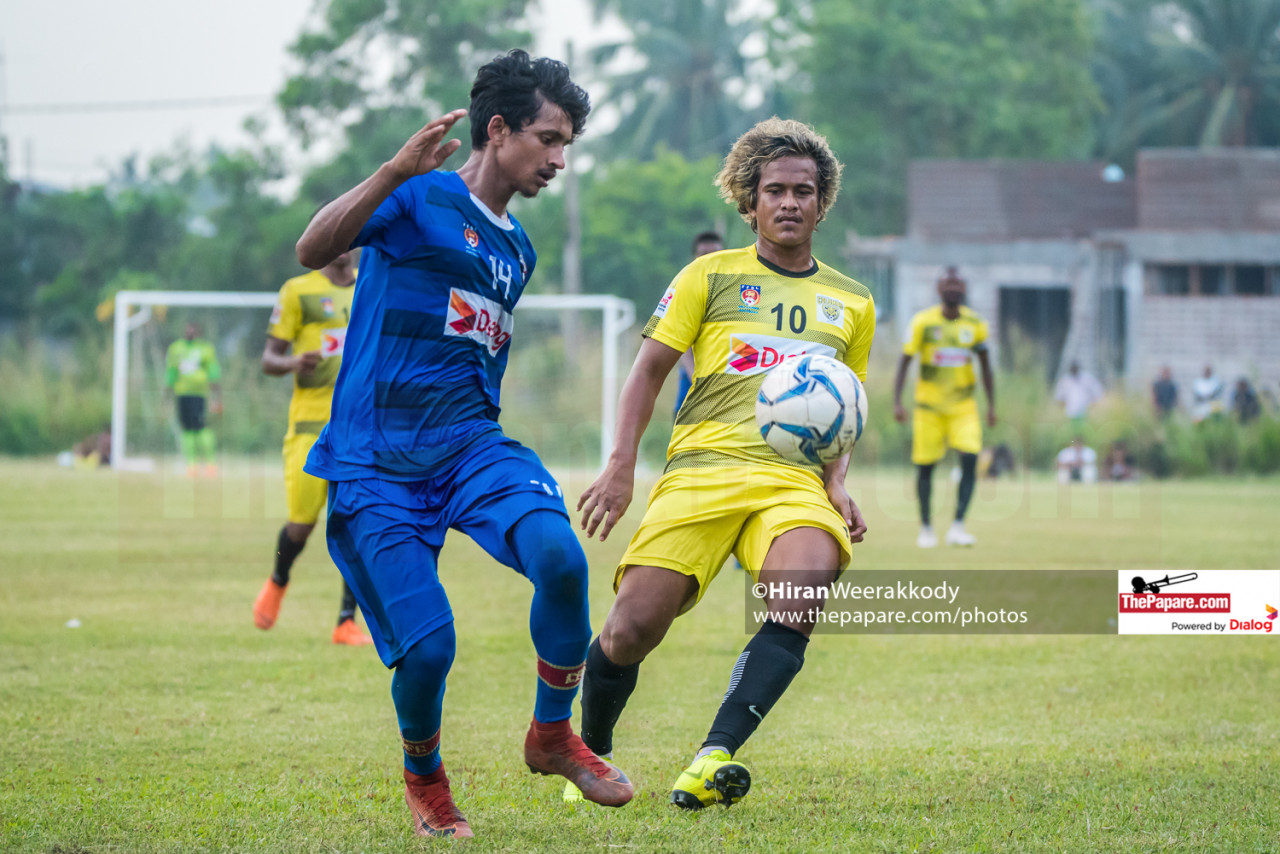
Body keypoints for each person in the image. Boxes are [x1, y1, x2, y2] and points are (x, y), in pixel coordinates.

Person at [293, 50, 631, 839]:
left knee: (561, 557)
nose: (558, 159)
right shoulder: (418, 199)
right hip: (375, 464)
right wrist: (388, 173)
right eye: (548, 139)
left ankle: (551, 735)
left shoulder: (519, 251)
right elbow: (312, 250)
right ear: (498, 128)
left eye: (567, 145)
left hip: (471, 446)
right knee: (430, 649)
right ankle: (425, 779)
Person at [575, 118, 874, 810]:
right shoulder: (708, 277)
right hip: (701, 471)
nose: (791, 202)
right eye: (776, 190)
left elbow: (844, 408)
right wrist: (621, 465)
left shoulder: (854, 301)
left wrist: (837, 484)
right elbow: (647, 373)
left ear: (822, 201)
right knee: (629, 630)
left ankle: (713, 757)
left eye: (805, 190)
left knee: (800, 594)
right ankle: (591, 753)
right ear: (751, 201)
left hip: (791, 482)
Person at [252, 249, 374, 647]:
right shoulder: (298, 291)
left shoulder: (374, 284)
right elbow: (269, 359)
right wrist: (291, 363)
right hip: (308, 427)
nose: (344, 244)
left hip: (360, 430)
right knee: (301, 525)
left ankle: (345, 622)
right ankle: (277, 580)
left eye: (351, 237)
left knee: (358, 525)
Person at [892, 268, 996, 548]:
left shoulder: (975, 324)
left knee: (970, 459)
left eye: (958, 284)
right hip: (929, 408)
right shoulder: (923, 323)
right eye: (948, 284)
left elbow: (986, 365)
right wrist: (897, 401)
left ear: (964, 290)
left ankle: (958, 526)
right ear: (939, 290)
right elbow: (905, 361)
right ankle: (926, 529)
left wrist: (992, 405)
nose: (953, 289)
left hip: (963, 406)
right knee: (926, 467)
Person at [673, 230, 726, 416]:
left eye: (715, 254)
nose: (710, 260)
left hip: (726, 382)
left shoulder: (733, 292)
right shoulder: (686, 288)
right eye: (704, 255)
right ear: (694, 257)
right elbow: (682, 342)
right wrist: (697, 379)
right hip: (693, 380)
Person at [165, 321, 221, 477]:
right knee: (186, 429)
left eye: (192, 329)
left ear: (198, 331)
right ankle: (192, 465)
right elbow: (171, 373)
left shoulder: (205, 349)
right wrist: (166, 397)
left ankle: (211, 464)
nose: (189, 331)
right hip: (182, 394)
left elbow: (214, 373)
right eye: (187, 328)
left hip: (199, 394)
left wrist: (217, 397)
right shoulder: (176, 349)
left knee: (200, 427)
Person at [1054, 360, 1105, 426]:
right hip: (1070, 412)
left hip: (1085, 412)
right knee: (1073, 431)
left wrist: (1093, 404)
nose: (1074, 369)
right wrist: (1062, 406)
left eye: (1075, 368)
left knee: (1084, 430)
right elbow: (1059, 396)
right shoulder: (1065, 380)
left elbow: (1097, 391)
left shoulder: (1087, 378)